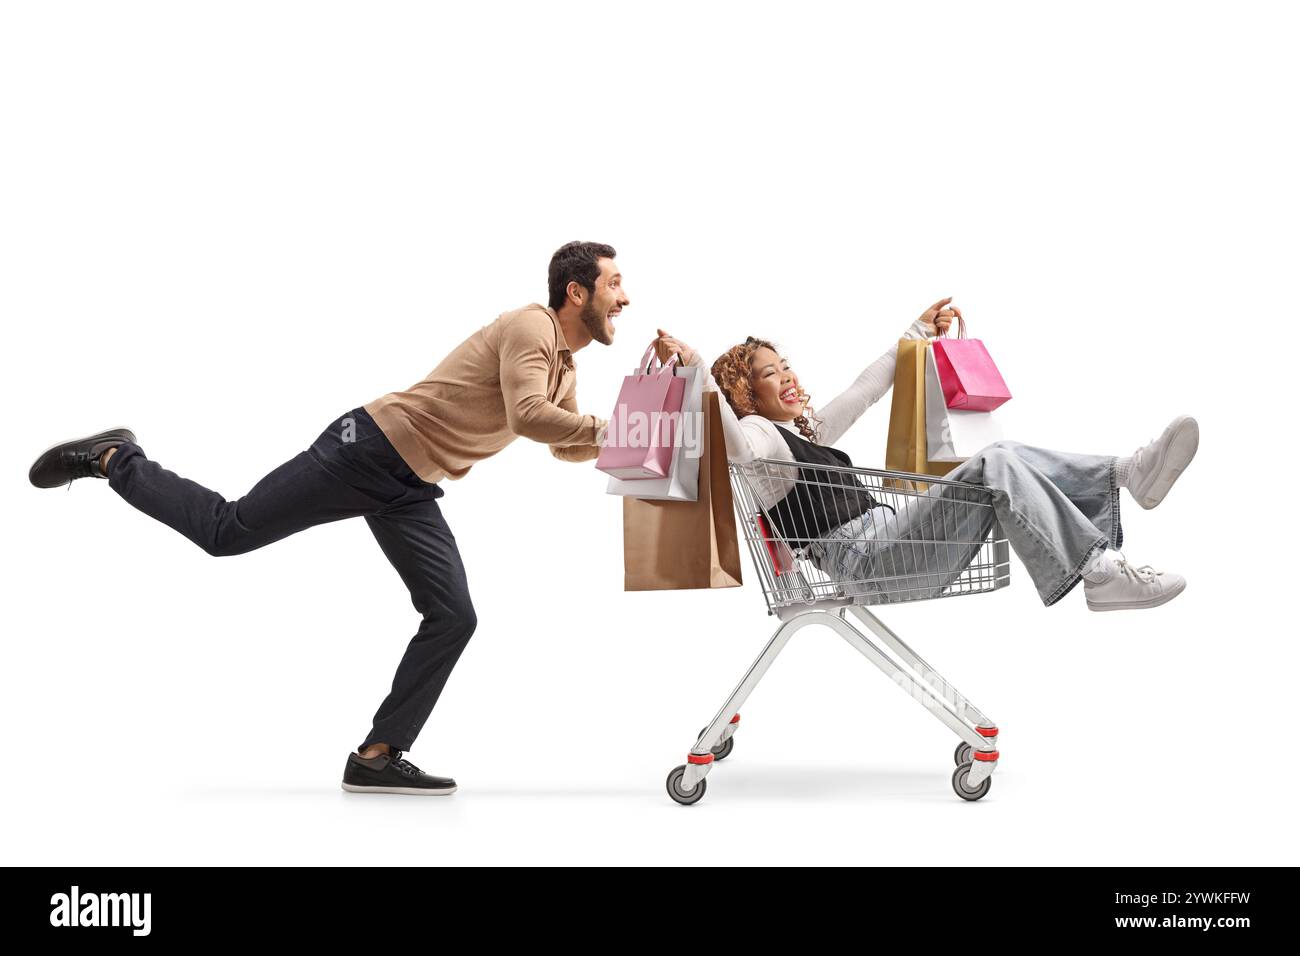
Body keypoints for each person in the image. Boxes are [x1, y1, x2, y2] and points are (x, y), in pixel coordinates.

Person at [28, 240, 628, 794]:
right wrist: (618, 428)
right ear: (576, 292)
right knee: (226, 531)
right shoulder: (531, 326)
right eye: (614, 285)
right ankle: (116, 457)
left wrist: (636, 429)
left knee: (453, 616)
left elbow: (564, 444)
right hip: (366, 447)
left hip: (408, 484)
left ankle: (376, 756)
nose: (623, 298)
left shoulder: (565, 366)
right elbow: (528, 416)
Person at [652, 299, 1198, 611]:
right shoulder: (760, 434)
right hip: (870, 559)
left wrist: (917, 333)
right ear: (746, 393)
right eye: (769, 373)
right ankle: (1105, 556)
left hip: (892, 546)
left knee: (1003, 466)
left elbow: (866, 390)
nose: (787, 377)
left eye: (785, 364)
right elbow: (741, 453)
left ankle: (1128, 478)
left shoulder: (805, 434)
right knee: (998, 461)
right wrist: (697, 371)